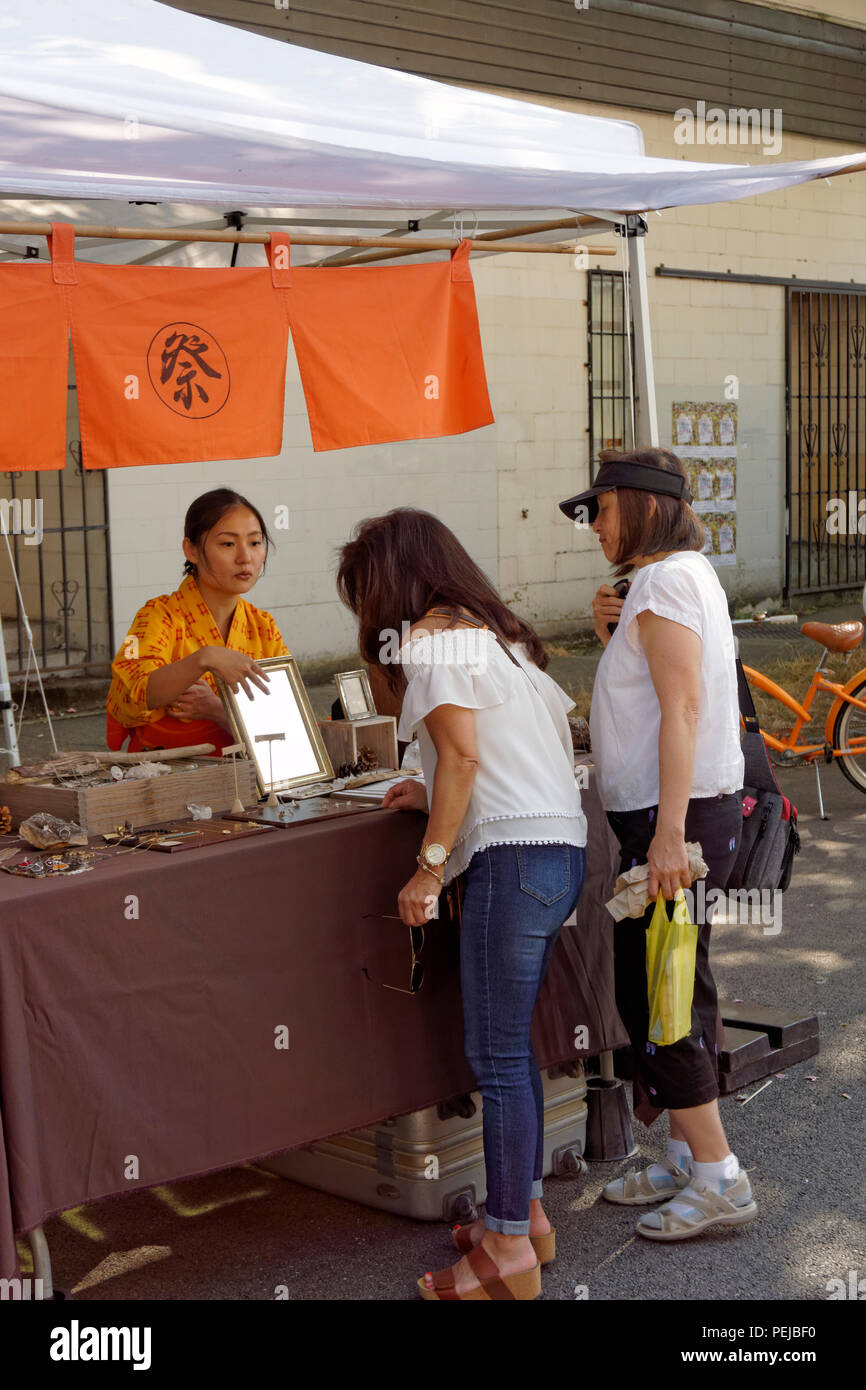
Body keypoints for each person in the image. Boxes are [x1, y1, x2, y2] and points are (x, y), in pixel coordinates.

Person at [336, 508, 587, 1300]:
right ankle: (524, 1218)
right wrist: (432, 793)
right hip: (557, 853)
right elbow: (501, 754)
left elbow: (469, 759)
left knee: (500, 1058)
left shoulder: (433, 643)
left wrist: (429, 868)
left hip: (511, 860)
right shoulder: (494, 639)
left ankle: (508, 1252)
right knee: (515, 1055)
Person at [560, 447, 755, 1242]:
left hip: (676, 820)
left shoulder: (669, 580)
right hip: (673, 813)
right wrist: (615, 634)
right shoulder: (671, 577)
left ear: (636, 504)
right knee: (678, 985)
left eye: (598, 509)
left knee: (659, 998)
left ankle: (720, 1179)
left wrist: (669, 834)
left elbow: (682, 709)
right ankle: (682, 1154)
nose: (592, 526)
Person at [106, 488, 288, 753]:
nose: (245, 557)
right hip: (169, 778)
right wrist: (204, 658)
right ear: (191, 550)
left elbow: (285, 720)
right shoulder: (156, 616)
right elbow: (130, 695)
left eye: (255, 542)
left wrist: (217, 709)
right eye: (228, 544)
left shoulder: (263, 626)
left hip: (248, 779)